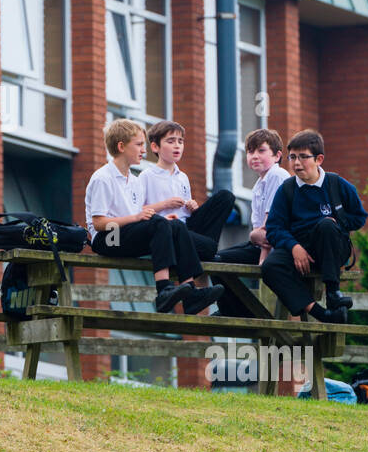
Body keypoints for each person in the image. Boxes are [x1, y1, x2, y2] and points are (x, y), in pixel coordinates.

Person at [85, 118, 223, 314]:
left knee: (176, 226)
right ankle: (163, 290)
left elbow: (141, 218)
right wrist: (139, 218)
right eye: (139, 144)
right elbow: (98, 223)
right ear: (122, 146)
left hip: (126, 233)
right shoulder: (103, 178)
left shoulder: (133, 180)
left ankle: (191, 294)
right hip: (109, 238)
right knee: (160, 224)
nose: (144, 150)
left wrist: (161, 222)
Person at [260, 128, 367, 324]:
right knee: (270, 267)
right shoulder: (287, 189)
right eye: (292, 157)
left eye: (303, 157)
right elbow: (274, 228)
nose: (297, 163)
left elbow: (359, 217)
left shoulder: (338, 184)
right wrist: (294, 247)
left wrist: (339, 222)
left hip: (332, 248)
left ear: (319, 159)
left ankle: (333, 293)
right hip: (300, 249)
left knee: (326, 225)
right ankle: (321, 313)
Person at [214, 128, 291, 316]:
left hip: (277, 247)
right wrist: (254, 236)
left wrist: (263, 257)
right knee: (214, 259)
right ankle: (231, 308)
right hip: (260, 245)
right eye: (250, 151)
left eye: (261, 151)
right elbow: (259, 232)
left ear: (277, 155)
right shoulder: (259, 184)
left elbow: (269, 226)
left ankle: (240, 310)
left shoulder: (277, 175)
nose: (254, 156)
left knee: (218, 261)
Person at [136, 120, 236, 261]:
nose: (177, 146)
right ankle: (207, 249)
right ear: (155, 147)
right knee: (209, 247)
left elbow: (186, 213)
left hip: (188, 226)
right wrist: (165, 204)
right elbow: (136, 211)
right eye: (170, 141)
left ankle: (207, 248)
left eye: (180, 141)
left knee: (226, 197)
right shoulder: (146, 176)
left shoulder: (182, 177)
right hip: (168, 230)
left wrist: (192, 207)